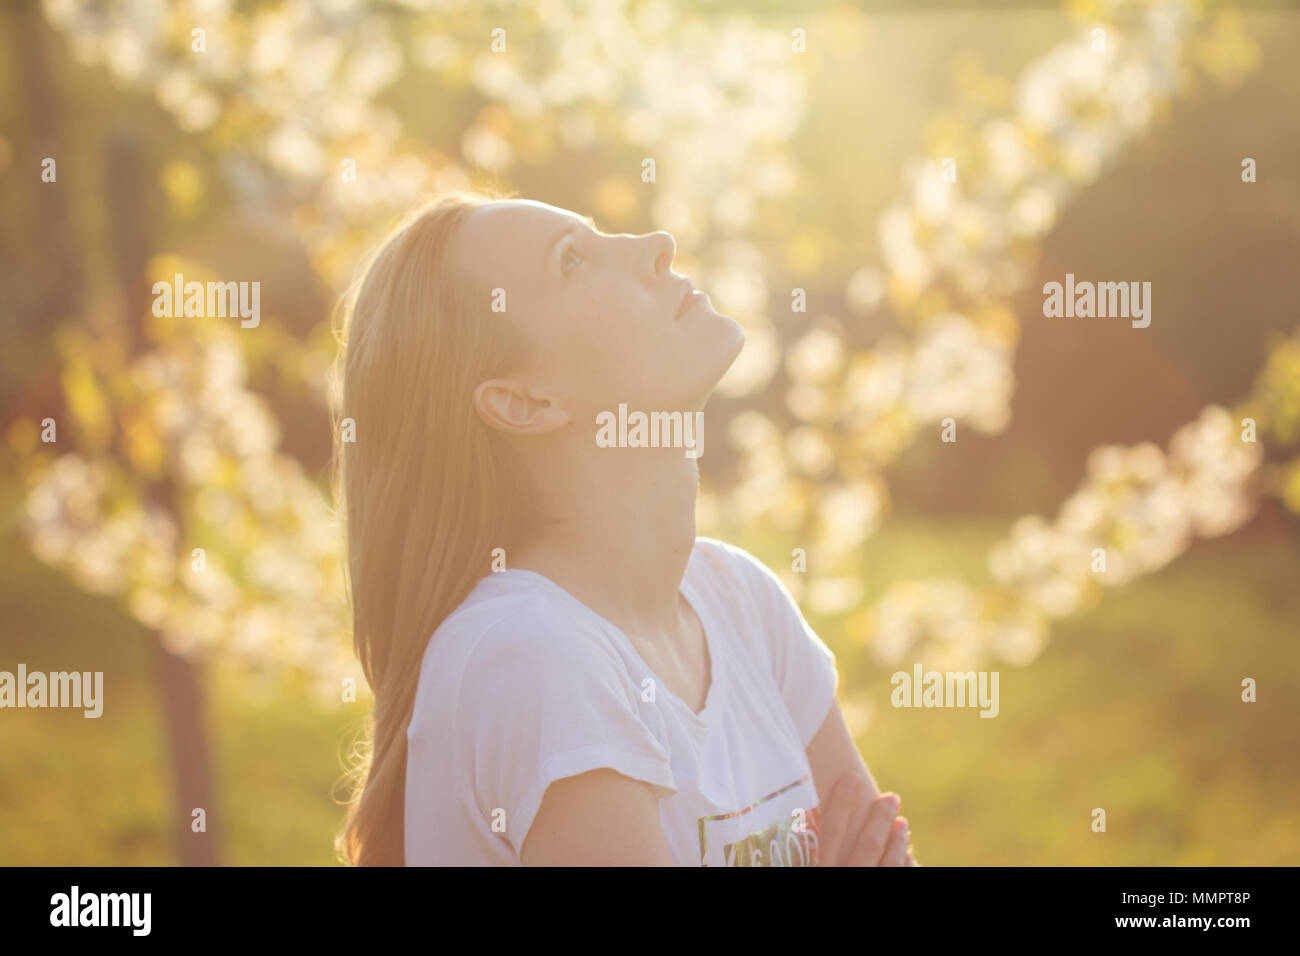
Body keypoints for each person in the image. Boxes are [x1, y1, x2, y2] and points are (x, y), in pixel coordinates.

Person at [333, 191, 917, 866]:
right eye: (574, 261)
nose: (657, 242)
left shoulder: (741, 601)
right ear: (524, 403)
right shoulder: (533, 657)